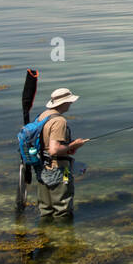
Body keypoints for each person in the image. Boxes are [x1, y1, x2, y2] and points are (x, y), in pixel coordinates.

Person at [35, 87, 90, 220]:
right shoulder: (59, 121)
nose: (71, 104)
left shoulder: (43, 115)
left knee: (46, 208)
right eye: (70, 101)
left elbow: (46, 145)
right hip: (61, 169)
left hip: (42, 166)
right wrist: (74, 145)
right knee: (63, 207)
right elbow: (54, 149)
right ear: (64, 103)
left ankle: (45, 236)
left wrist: (69, 146)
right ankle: (63, 237)